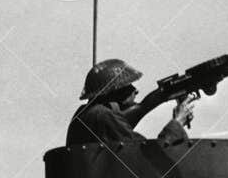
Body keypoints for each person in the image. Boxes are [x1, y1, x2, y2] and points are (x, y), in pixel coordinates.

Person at [65, 58, 194, 148]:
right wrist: (177, 122)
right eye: (128, 86)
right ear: (114, 91)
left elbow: (140, 109)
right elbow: (148, 154)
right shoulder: (103, 116)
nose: (135, 90)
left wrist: (160, 97)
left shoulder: (85, 114)